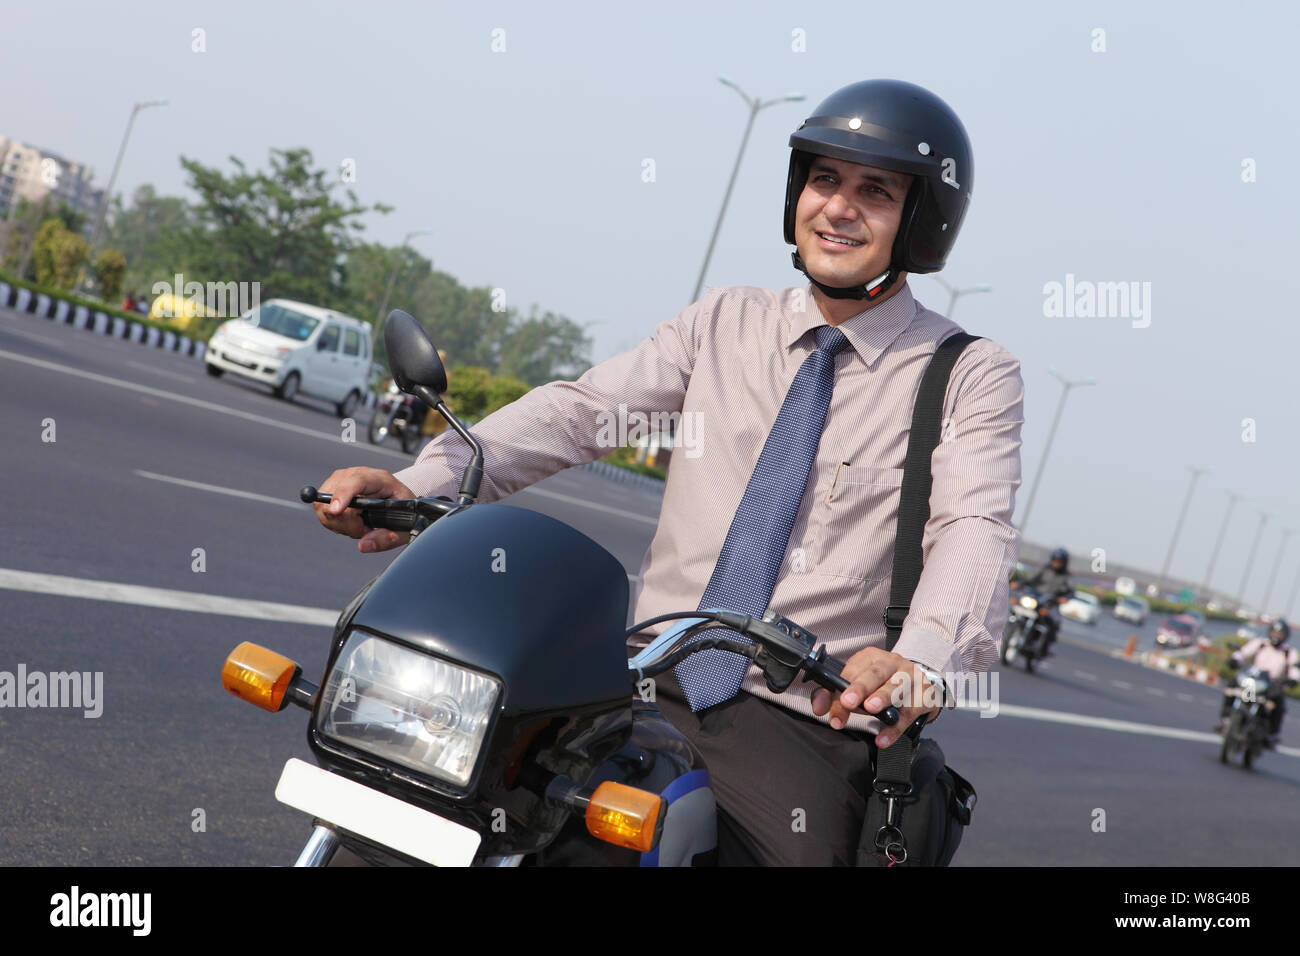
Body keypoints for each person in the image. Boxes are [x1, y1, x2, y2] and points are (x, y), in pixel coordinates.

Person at [312, 79, 1024, 865]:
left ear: (922, 220)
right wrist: (421, 482)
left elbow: (972, 528)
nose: (838, 208)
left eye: (876, 192)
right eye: (824, 180)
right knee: (449, 801)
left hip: (800, 720)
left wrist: (918, 660)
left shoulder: (968, 375)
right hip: (638, 676)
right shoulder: (725, 321)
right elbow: (585, 410)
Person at [1216, 618, 1300, 746]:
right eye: (1274, 632)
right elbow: (1243, 653)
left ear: (1285, 636)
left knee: (1279, 704)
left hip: (1272, 686)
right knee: (1232, 686)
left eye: (1279, 634)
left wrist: (1294, 679)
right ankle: (1226, 718)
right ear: (1269, 632)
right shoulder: (1260, 644)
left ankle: (1272, 734)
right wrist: (1235, 660)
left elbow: (1294, 669)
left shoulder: (1289, 652)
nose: (1276, 636)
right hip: (1253, 682)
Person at [1021, 547, 1073, 656]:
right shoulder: (1044, 569)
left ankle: (1046, 647)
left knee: (1054, 622)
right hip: (1036, 600)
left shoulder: (1067, 576)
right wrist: (1020, 584)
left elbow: (1071, 591)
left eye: (1059, 561)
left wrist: (1064, 598)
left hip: (1050, 605)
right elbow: (1031, 579)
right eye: (1055, 560)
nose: (1056, 563)